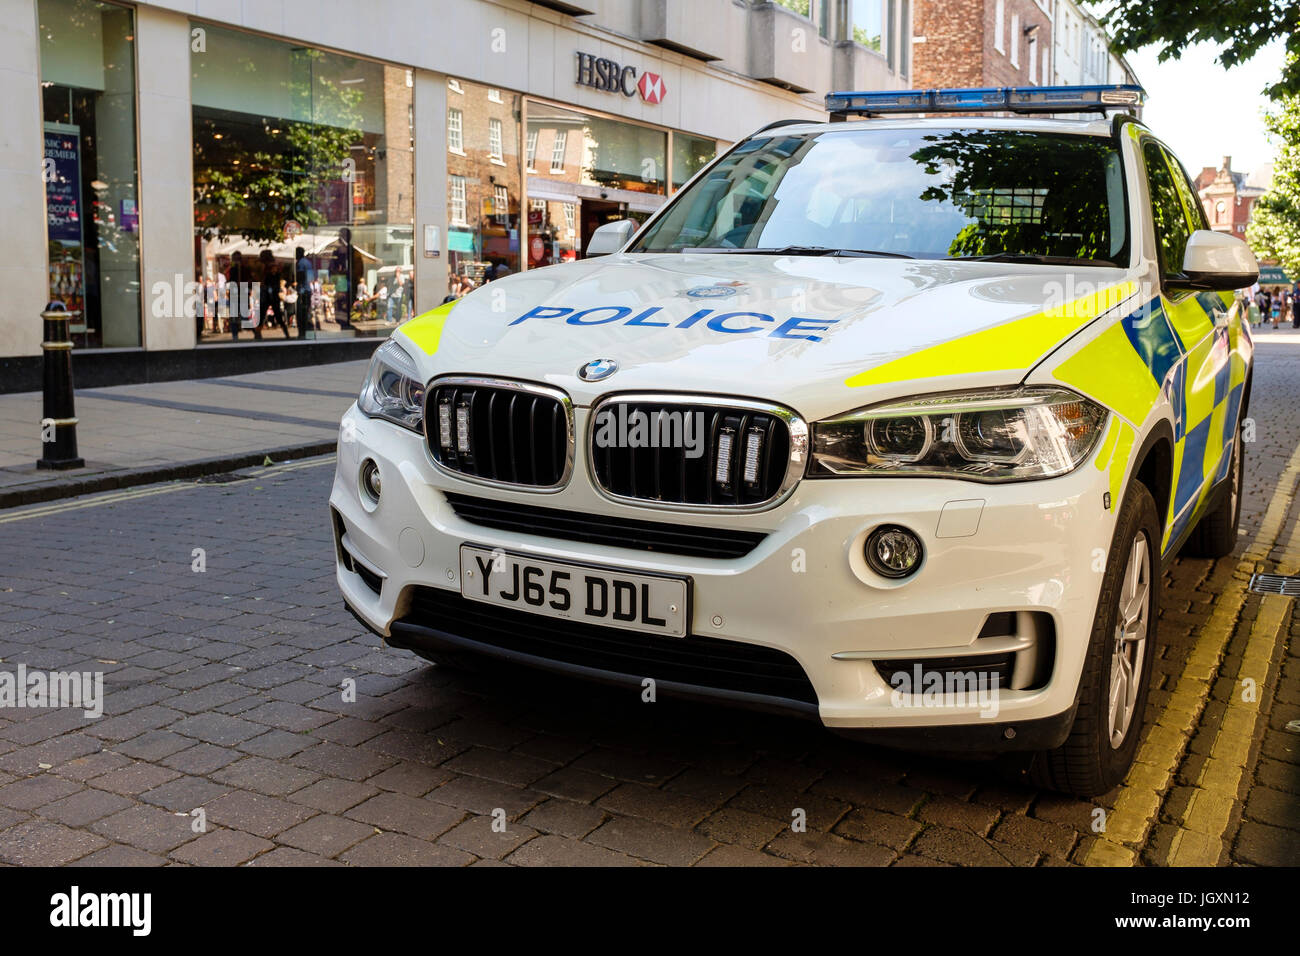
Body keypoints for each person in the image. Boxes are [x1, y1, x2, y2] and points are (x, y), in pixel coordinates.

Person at [226, 251, 251, 340]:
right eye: (235, 259)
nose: (237, 261)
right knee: (234, 315)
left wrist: (245, 284)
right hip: (234, 294)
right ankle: (235, 335)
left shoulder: (245, 268)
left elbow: (249, 280)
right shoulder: (231, 269)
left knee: (244, 314)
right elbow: (228, 279)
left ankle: (249, 329)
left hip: (243, 293)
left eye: (238, 259)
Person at [295, 246, 314, 339]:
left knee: (300, 313)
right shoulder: (308, 263)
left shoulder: (300, 263)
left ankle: (301, 332)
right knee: (305, 312)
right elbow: (311, 278)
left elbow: (300, 276)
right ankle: (305, 331)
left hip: (303, 291)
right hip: (308, 290)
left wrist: (297, 283)